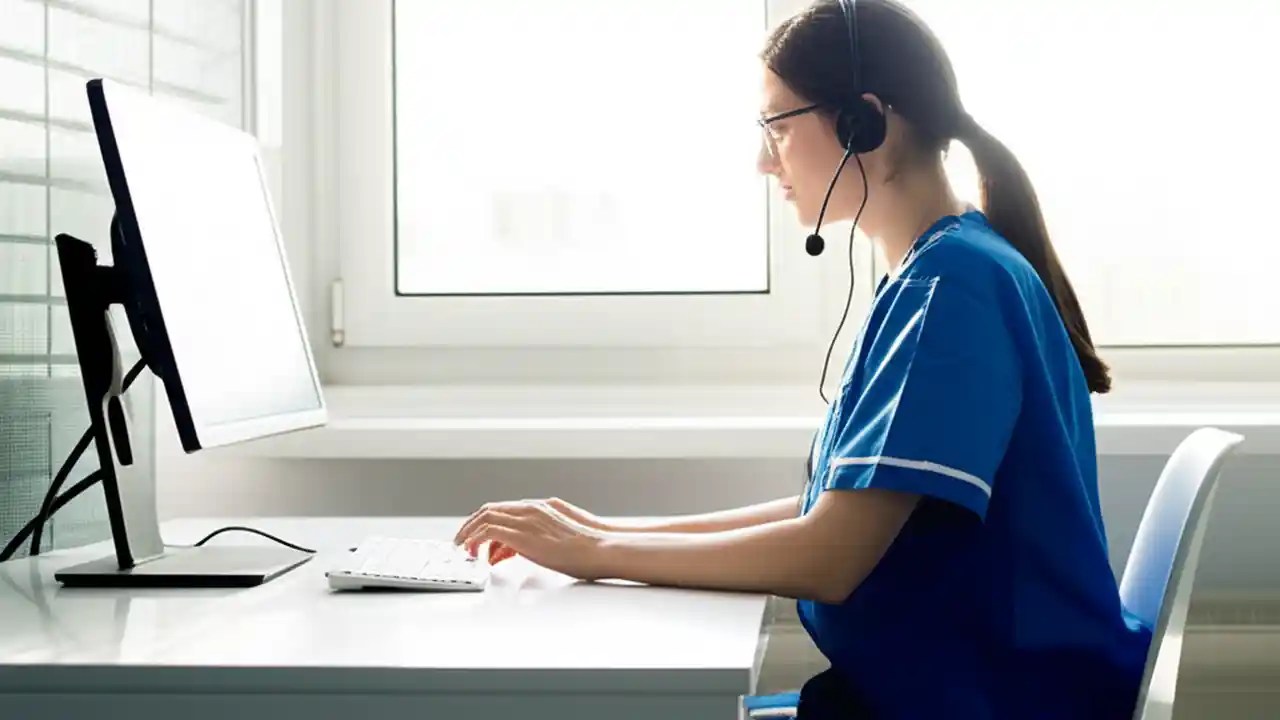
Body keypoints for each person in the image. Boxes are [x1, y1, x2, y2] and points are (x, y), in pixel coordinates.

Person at [453, 0, 1153, 716]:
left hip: (986, 702)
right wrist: (601, 532)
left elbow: (830, 557)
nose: (763, 160)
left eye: (777, 127)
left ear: (865, 124)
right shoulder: (936, 273)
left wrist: (597, 556)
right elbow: (837, 510)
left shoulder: (955, 288)